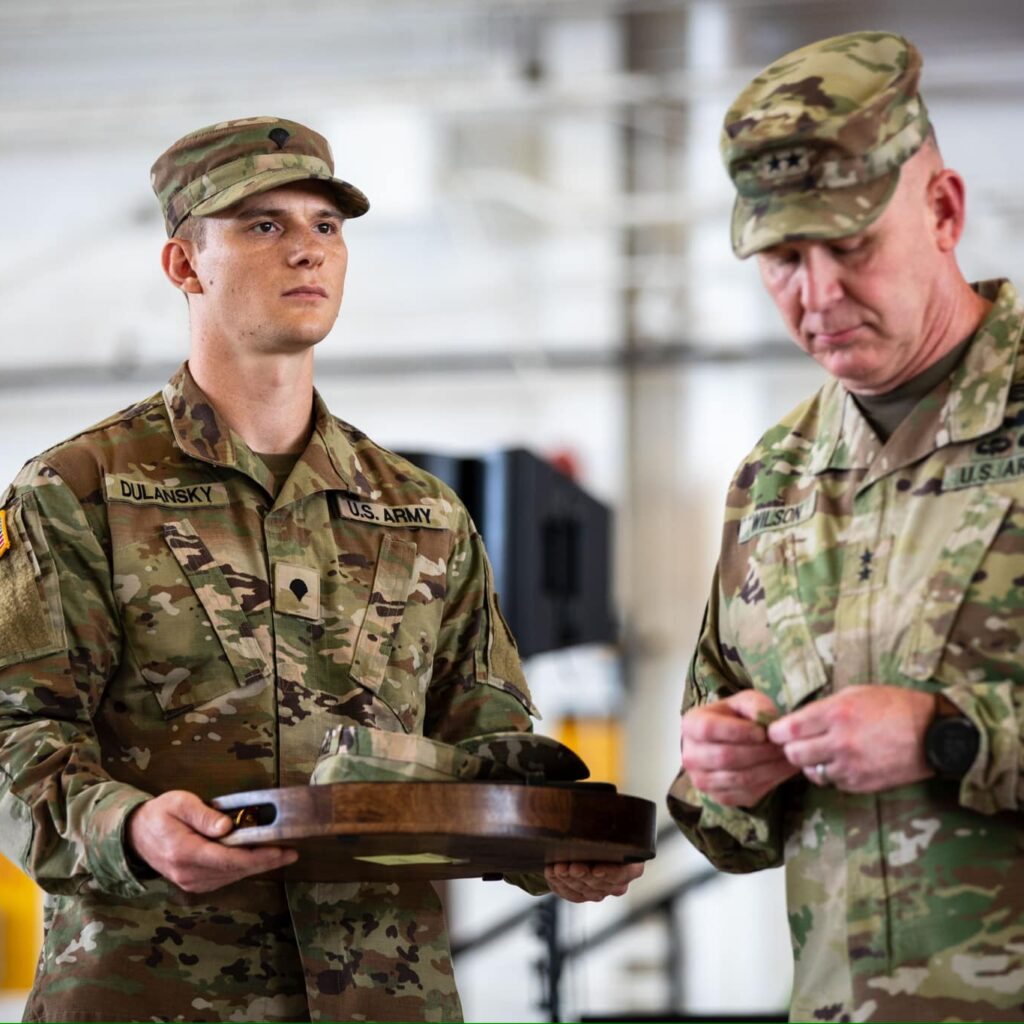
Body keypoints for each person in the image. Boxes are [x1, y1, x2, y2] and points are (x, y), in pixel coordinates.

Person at [0, 116, 641, 1023]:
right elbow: (15, 737)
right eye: (264, 224)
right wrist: (130, 827)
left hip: (383, 996)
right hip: (151, 992)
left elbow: (482, 744)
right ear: (185, 264)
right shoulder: (79, 491)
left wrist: (552, 839)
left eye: (326, 227)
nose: (307, 250)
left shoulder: (422, 512)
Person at [668, 31, 1024, 1022]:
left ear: (943, 211)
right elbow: (716, 822)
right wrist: (721, 774)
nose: (816, 295)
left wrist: (951, 740)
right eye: (783, 257)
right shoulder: (772, 480)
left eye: (853, 246)